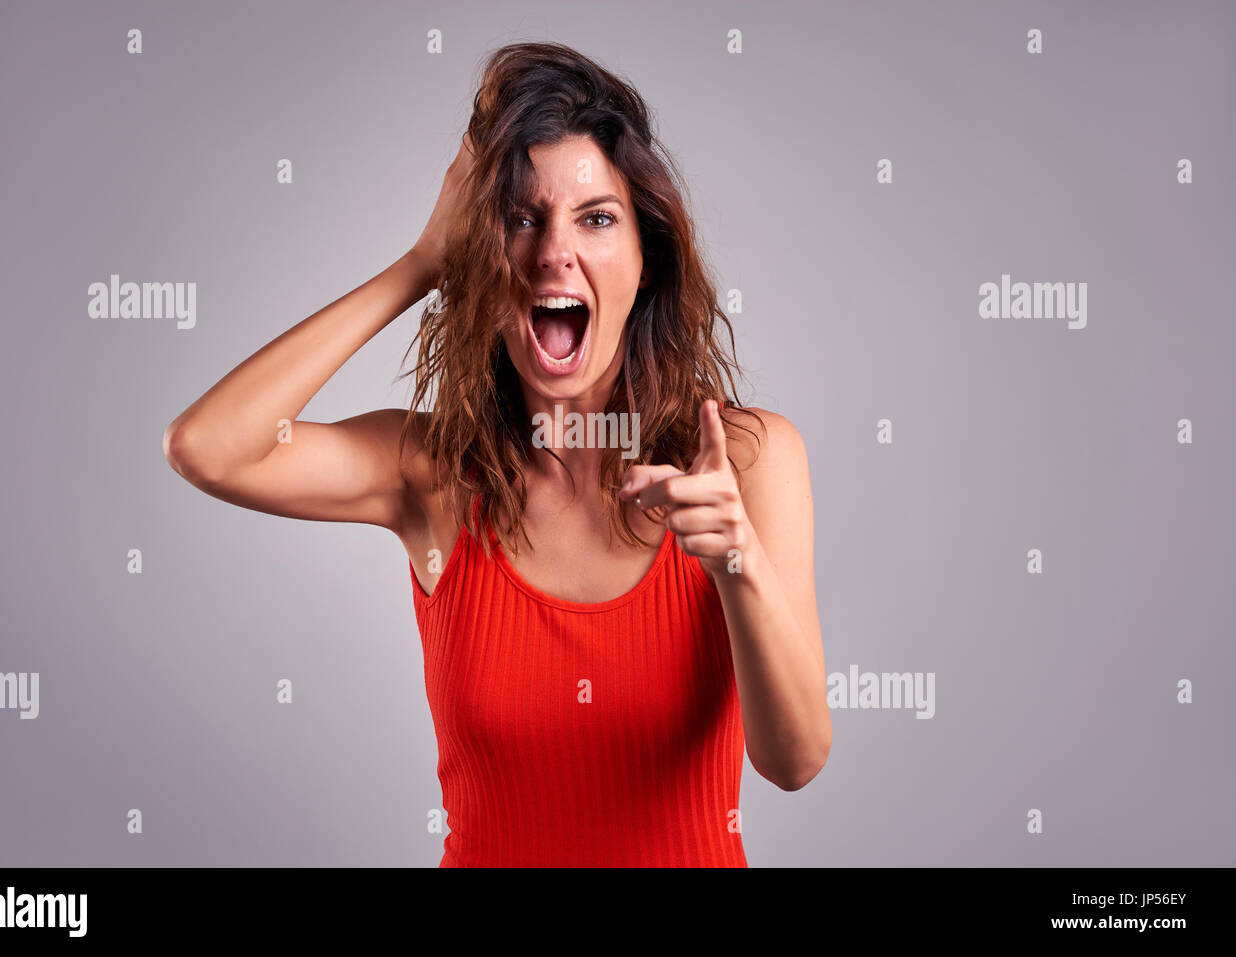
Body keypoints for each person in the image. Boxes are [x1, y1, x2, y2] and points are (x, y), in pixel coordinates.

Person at [163, 41, 830, 867]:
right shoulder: (430, 475)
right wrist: (419, 264)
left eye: (596, 217)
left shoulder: (747, 461)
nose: (555, 251)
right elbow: (206, 447)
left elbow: (795, 761)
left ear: (644, 256)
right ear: (482, 258)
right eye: (522, 218)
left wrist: (739, 561)